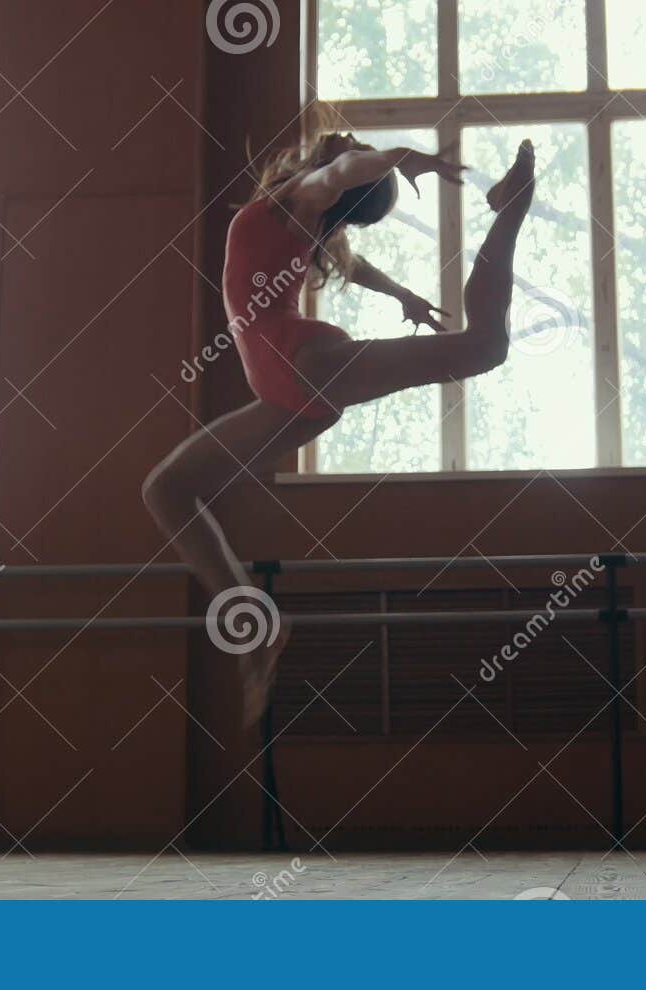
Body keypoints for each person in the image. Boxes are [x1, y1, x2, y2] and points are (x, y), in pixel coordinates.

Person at [143, 128, 536, 725]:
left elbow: (342, 171)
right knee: (167, 489)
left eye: (353, 143)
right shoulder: (302, 217)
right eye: (354, 140)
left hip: (299, 367)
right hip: (291, 390)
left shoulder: (304, 194)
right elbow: (353, 259)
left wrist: (398, 159)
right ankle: (255, 627)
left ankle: (511, 208)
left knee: (484, 347)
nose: (347, 135)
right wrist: (401, 292)